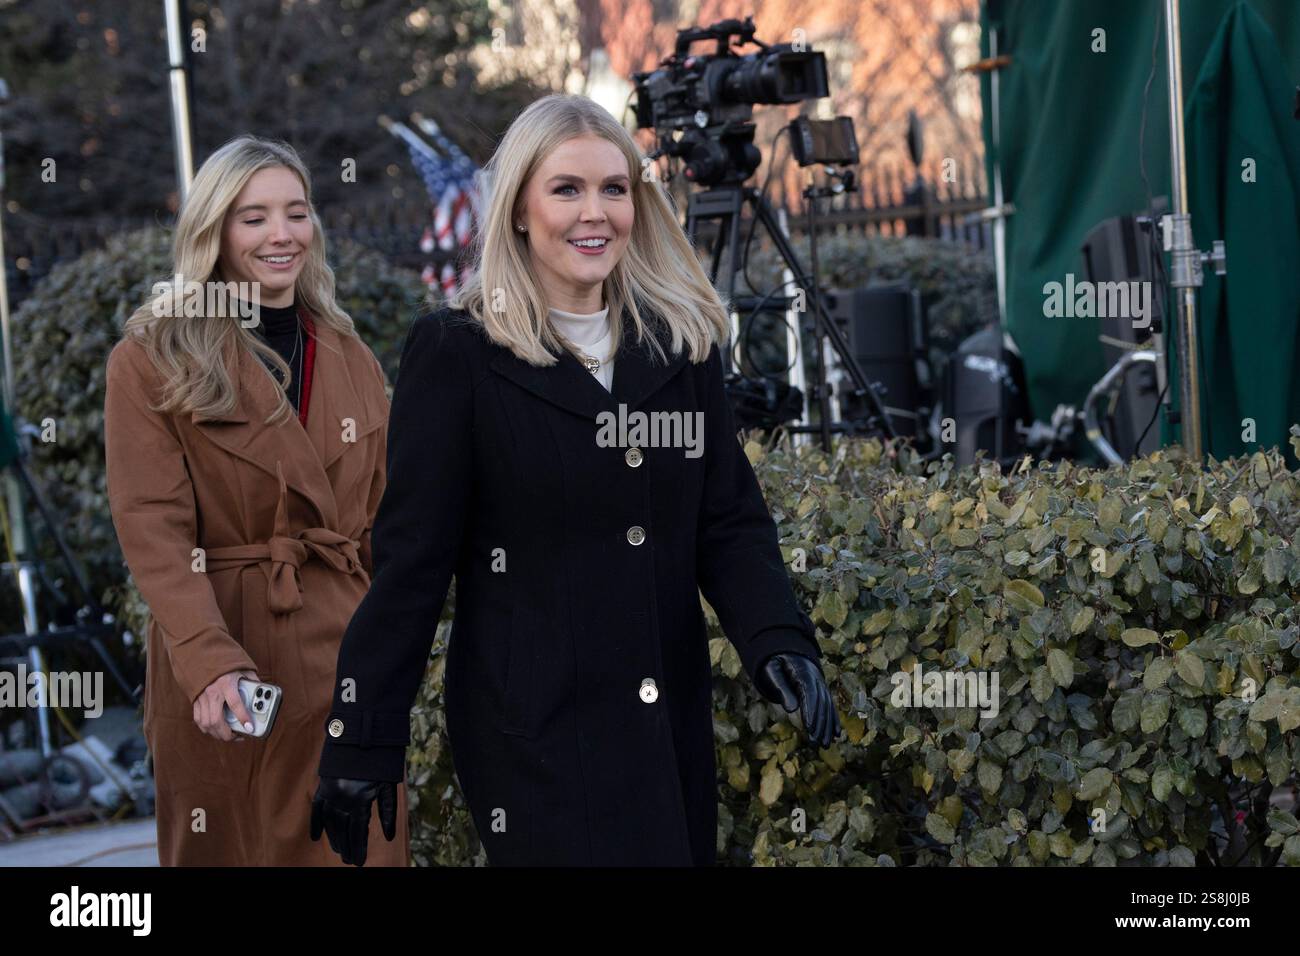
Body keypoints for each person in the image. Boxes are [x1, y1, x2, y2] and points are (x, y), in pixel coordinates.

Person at [311, 93, 840, 867]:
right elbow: (412, 564)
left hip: (664, 723)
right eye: (567, 189)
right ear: (520, 209)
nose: (596, 213)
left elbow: (726, 519)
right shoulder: (457, 353)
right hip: (533, 735)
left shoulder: (681, 345)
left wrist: (775, 639)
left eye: (614, 188)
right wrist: (361, 738)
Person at [104, 135, 409, 865]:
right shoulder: (152, 357)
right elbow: (154, 528)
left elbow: (382, 522)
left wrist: (393, 660)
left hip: (345, 656)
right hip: (228, 655)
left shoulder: (350, 353)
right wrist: (209, 663)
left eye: (296, 213)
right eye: (254, 217)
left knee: (362, 852)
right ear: (213, 231)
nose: (282, 234)